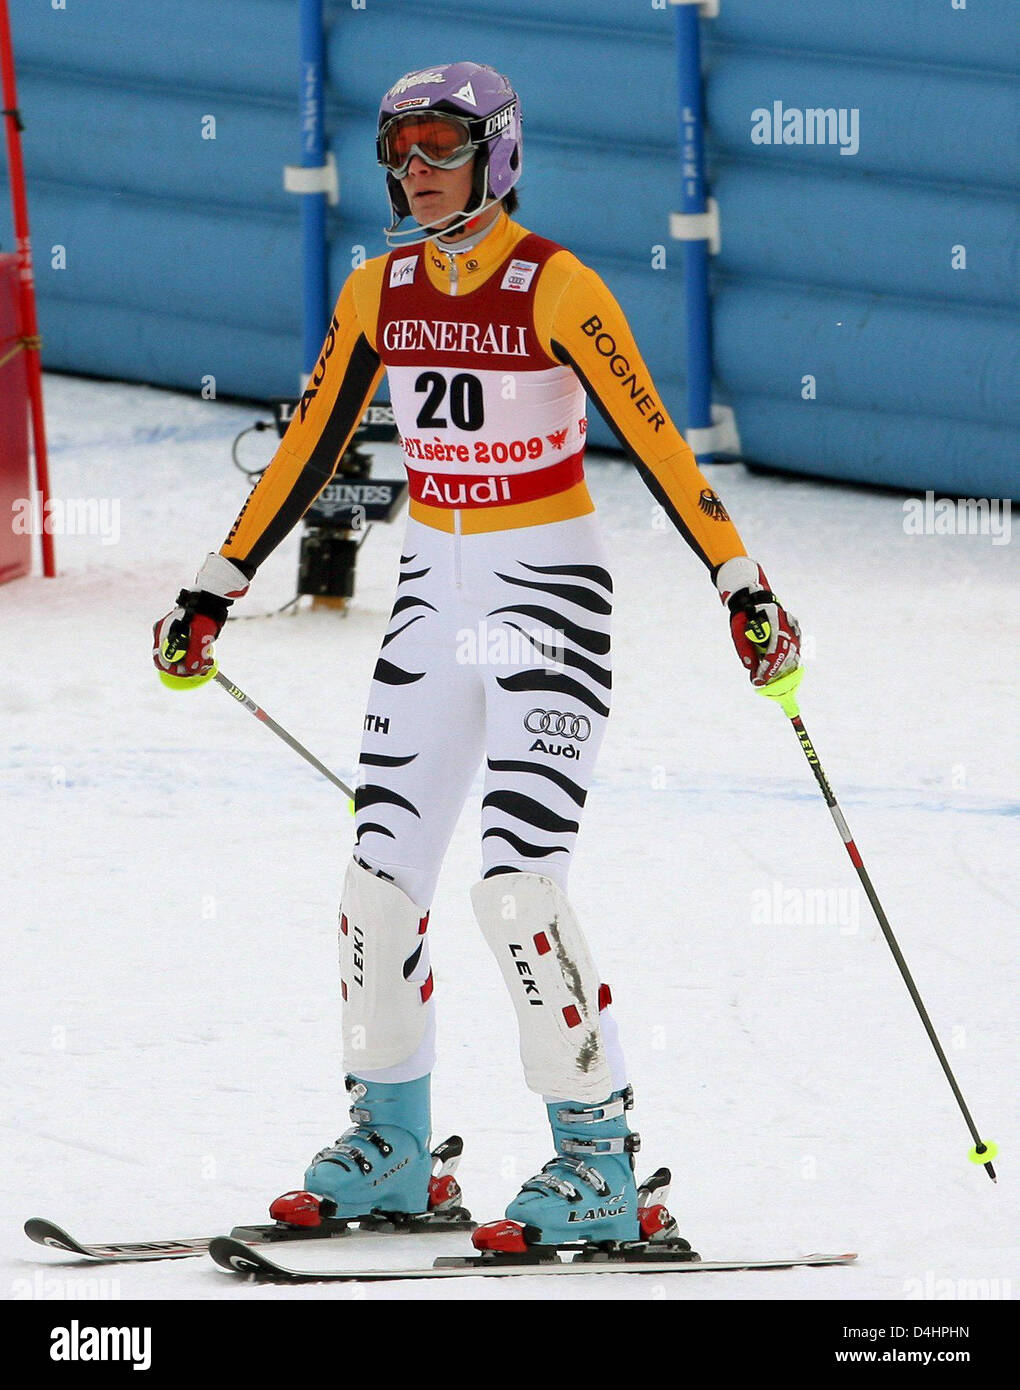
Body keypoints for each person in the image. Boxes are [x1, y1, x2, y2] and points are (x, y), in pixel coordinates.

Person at [153, 62, 800, 1252]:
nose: (416, 171)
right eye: (401, 150)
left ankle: (599, 1160)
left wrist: (739, 583)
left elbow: (657, 440)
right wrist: (217, 581)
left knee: (515, 885)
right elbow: (307, 444)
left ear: (497, 152)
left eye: (441, 147)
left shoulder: (558, 286)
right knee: (373, 885)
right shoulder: (379, 288)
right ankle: (393, 1145)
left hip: (548, 595)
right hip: (429, 596)